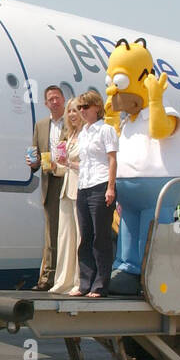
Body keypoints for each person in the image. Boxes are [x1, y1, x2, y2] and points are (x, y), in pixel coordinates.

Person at [104, 39, 180, 295]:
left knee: (153, 226)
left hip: (160, 189)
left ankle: (151, 272)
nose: (114, 91)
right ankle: (127, 268)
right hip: (129, 191)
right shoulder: (129, 121)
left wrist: (155, 100)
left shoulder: (165, 111)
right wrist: (111, 117)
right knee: (129, 226)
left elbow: (159, 130)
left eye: (118, 83)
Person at [70, 90, 119, 297]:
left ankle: (100, 284)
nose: (82, 111)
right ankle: (85, 282)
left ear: (97, 107)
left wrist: (110, 187)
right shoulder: (83, 133)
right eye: (79, 107)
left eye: (85, 107)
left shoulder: (106, 130)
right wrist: (68, 163)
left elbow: (112, 160)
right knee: (86, 236)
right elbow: (85, 163)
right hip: (84, 185)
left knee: (101, 236)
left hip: (100, 185)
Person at [27, 85, 67, 290]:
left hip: (70, 180)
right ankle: (47, 279)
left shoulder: (73, 121)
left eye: (57, 98)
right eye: (50, 99)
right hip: (50, 181)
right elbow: (35, 151)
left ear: (64, 100)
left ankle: (71, 278)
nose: (54, 102)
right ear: (46, 103)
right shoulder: (41, 126)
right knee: (51, 232)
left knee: (71, 231)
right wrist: (32, 163)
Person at [49, 99, 84, 295]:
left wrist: (68, 164)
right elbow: (64, 168)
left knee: (81, 237)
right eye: (69, 111)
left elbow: (89, 165)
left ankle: (79, 281)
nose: (72, 114)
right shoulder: (70, 136)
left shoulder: (87, 136)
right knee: (65, 237)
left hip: (82, 189)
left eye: (76, 110)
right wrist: (55, 166)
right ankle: (63, 281)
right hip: (66, 190)